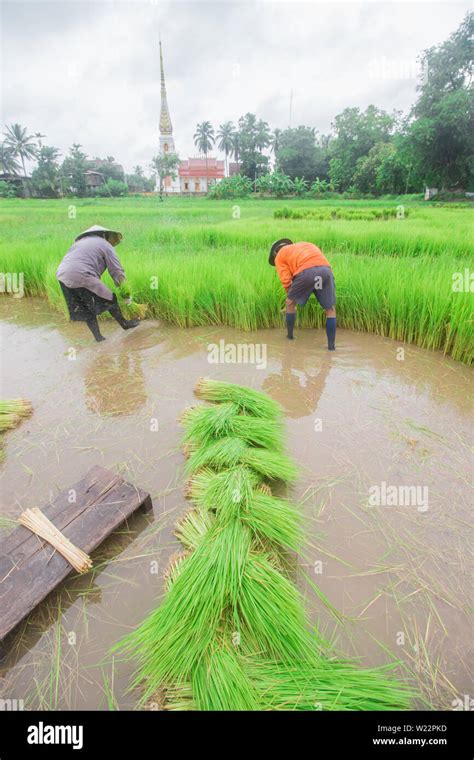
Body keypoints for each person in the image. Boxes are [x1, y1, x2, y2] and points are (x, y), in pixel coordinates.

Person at [56, 225, 140, 342]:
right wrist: (125, 293)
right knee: (110, 298)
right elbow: (116, 270)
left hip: (62, 276)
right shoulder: (105, 244)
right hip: (82, 274)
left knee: (85, 309)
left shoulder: (77, 244)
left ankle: (98, 338)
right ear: (105, 235)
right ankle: (125, 324)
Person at [268, 238, 336, 350]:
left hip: (307, 273)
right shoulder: (305, 245)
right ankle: (331, 348)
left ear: (275, 253)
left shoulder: (279, 256)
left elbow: (286, 281)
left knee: (289, 303)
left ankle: (290, 337)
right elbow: (316, 273)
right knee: (330, 309)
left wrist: (291, 301)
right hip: (326, 271)